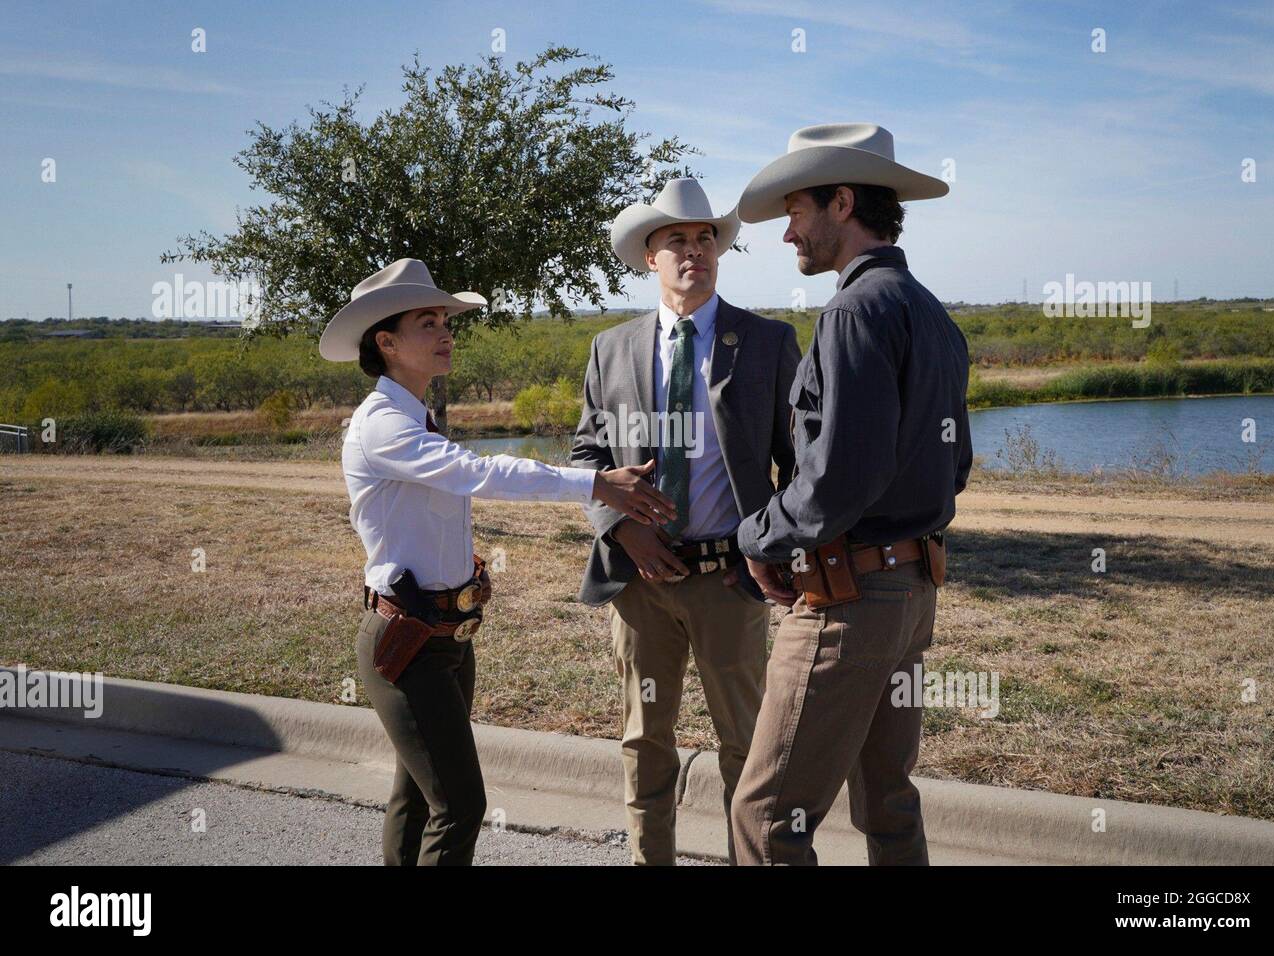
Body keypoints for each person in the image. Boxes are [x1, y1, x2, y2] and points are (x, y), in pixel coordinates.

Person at [319, 257, 676, 866]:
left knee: (418, 796)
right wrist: (595, 484)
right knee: (459, 806)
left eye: (445, 320)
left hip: (445, 637)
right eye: (427, 322)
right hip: (405, 643)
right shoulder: (382, 426)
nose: (445, 332)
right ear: (387, 341)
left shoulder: (412, 419)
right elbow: (480, 473)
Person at [728, 124, 973, 865]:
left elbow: (838, 477)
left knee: (767, 817)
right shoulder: (927, 310)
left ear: (842, 202)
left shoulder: (853, 310)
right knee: (888, 803)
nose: (786, 234)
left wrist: (757, 536)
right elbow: (954, 462)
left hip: (849, 602)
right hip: (908, 592)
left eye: (795, 211)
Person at [572, 179, 801, 864]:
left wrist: (764, 552)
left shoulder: (765, 342)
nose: (694, 250)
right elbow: (587, 454)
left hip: (730, 581)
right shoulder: (611, 349)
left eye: (706, 238)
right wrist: (619, 528)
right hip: (639, 584)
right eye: (677, 239)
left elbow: (798, 465)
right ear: (650, 257)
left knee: (747, 745)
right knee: (645, 740)